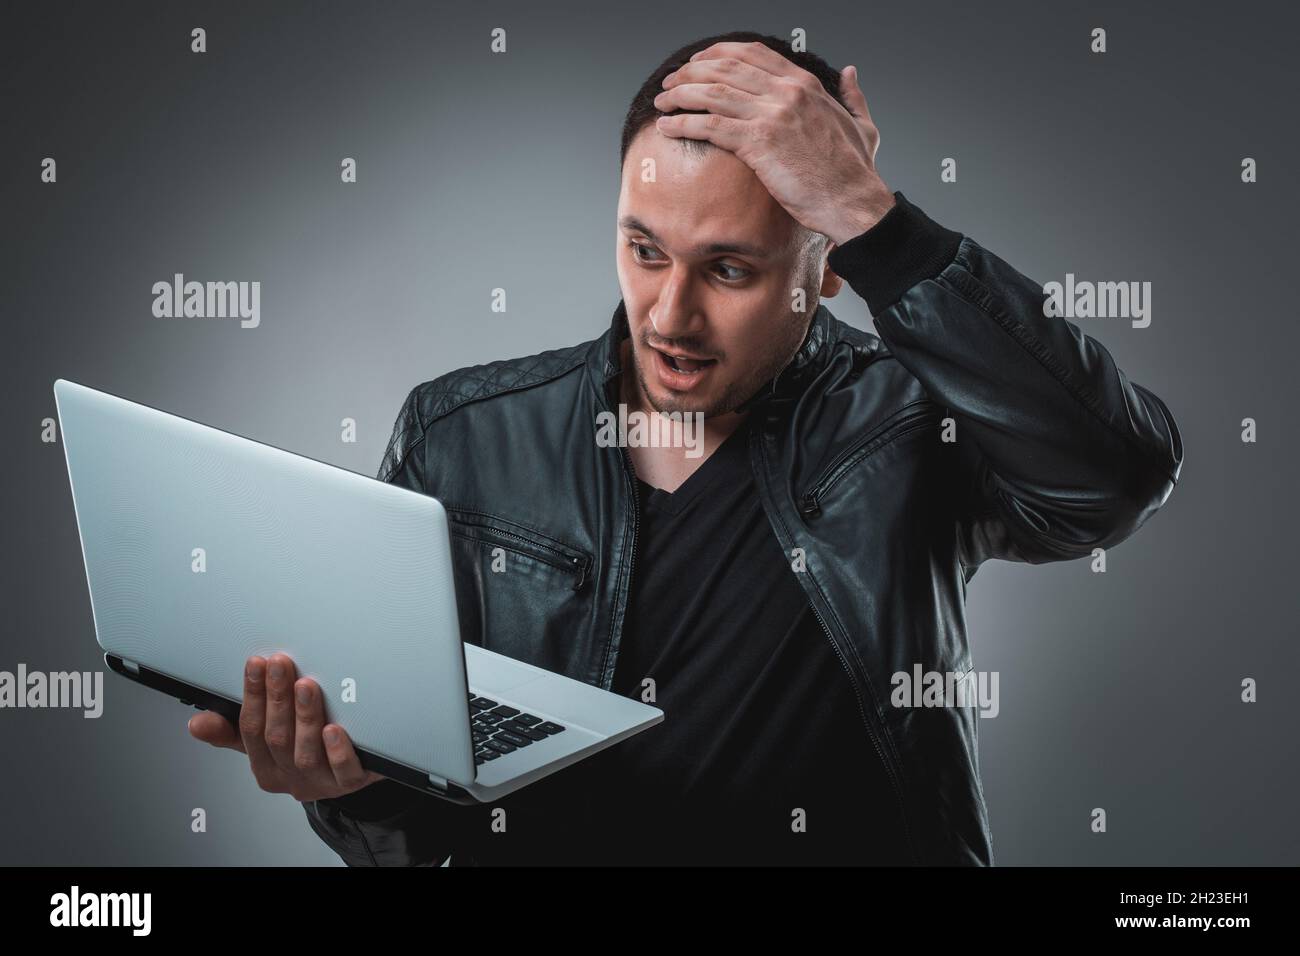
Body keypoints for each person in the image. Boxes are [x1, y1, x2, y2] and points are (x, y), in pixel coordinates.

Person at [188, 31, 1183, 866]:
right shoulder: (461, 435)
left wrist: (877, 222)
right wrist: (350, 785)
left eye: (730, 268)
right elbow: (417, 828)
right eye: (644, 248)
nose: (669, 314)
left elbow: (1114, 472)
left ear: (825, 264)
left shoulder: (913, 420)